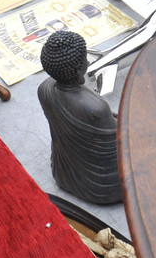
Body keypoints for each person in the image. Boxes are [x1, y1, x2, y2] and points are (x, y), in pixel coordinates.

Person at [36, 31, 121, 206]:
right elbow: (119, 143)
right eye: (85, 59)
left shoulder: (44, 88)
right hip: (103, 186)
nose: (88, 61)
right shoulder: (95, 108)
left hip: (64, 173)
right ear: (76, 70)